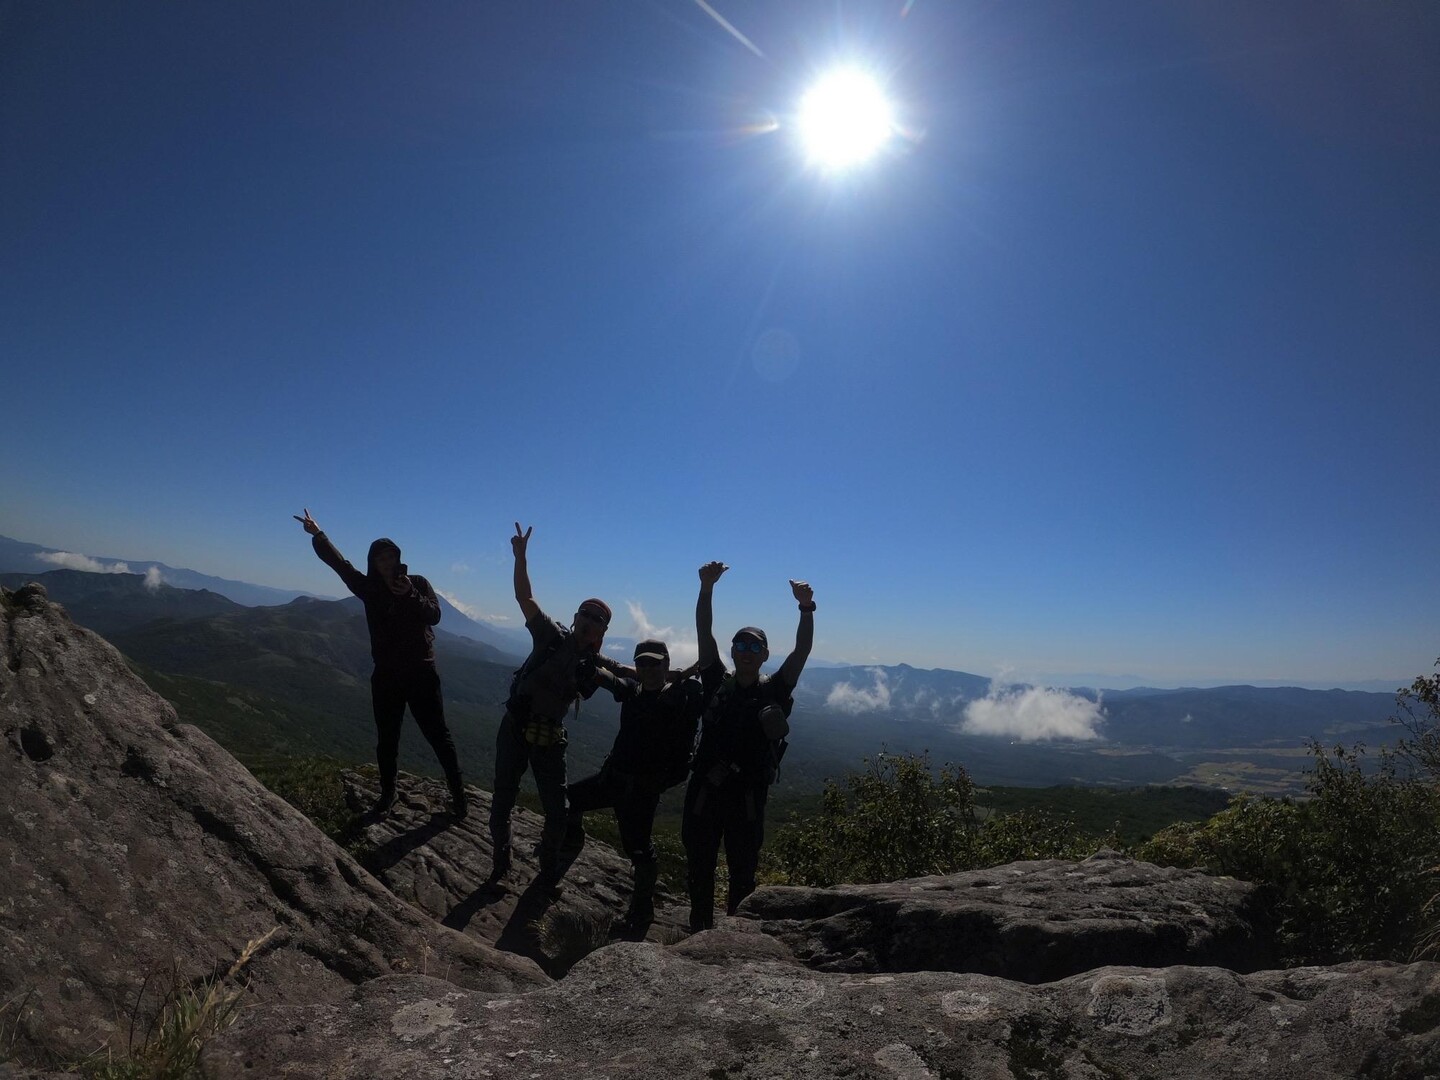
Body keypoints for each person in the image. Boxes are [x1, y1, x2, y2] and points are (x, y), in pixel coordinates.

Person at [293, 508, 467, 818]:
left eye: (391, 557)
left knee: (439, 735)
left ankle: (459, 796)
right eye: (380, 558)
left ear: (399, 559)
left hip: (421, 673)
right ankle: (388, 794)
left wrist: (411, 594)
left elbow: (434, 616)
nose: (387, 563)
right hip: (386, 676)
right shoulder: (368, 588)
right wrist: (318, 534)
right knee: (387, 738)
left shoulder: (419, 583)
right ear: (374, 563)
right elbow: (340, 565)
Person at [683, 561, 815, 931]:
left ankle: (737, 943)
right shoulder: (715, 681)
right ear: (732, 651)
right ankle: (699, 934)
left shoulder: (774, 689)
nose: (745, 650)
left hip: (748, 797)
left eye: (754, 646)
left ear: (764, 655)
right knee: (700, 868)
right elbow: (703, 630)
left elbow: (802, 651)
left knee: (743, 874)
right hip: (706, 791)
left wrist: (806, 609)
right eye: (740, 644)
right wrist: (706, 588)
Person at [490, 523, 622, 889]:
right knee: (503, 798)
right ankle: (501, 864)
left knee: (558, 810)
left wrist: (683, 673)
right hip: (516, 726)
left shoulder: (598, 664)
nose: (590, 621)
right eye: (586, 614)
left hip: (549, 735)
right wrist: (520, 557)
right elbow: (525, 597)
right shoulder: (550, 635)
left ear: (602, 631)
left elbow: (637, 672)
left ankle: (546, 870)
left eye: (599, 620)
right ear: (575, 617)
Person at [566, 638, 707, 930]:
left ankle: (642, 911)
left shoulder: (679, 700)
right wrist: (592, 670)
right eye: (642, 662)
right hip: (613, 780)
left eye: (655, 662)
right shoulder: (633, 691)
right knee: (570, 799)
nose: (648, 667)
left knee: (639, 848)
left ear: (666, 664)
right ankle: (570, 843)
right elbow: (613, 680)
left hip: (642, 792)